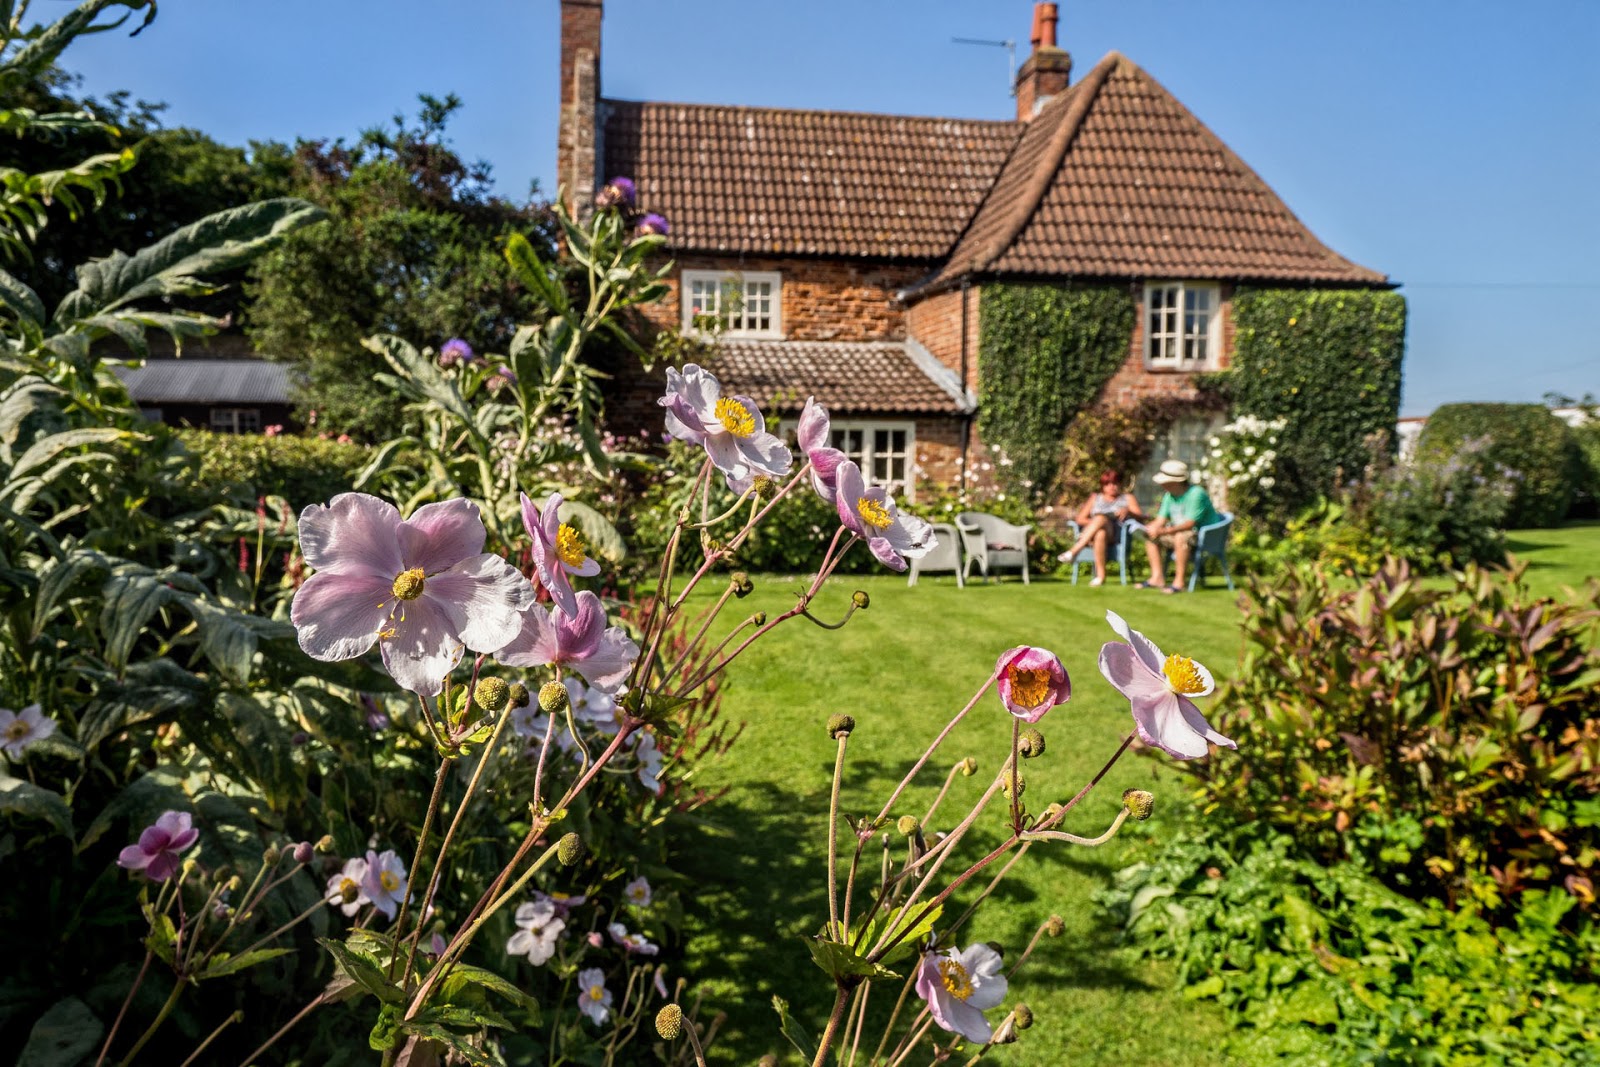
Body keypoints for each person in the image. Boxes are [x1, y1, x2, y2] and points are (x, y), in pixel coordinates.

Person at [1138, 459, 1220, 593]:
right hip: (1180, 533)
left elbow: (1190, 524)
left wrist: (1163, 531)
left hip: (1204, 536)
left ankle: (1179, 582)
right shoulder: (1169, 496)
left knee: (1181, 537)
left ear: (1175, 481)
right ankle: (1157, 577)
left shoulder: (1196, 494)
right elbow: (1161, 519)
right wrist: (1151, 528)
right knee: (1151, 537)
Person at [1064, 470, 1143, 586]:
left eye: (1115, 483)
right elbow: (1080, 519)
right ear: (1103, 485)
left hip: (1116, 534)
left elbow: (1141, 517)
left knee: (1101, 519)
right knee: (1100, 532)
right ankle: (1101, 577)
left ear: (1120, 484)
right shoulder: (1095, 498)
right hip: (1095, 536)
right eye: (1108, 483)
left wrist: (1128, 511)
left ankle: (1074, 551)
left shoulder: (1127, 498)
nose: (1112, 486)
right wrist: (1097, 522)